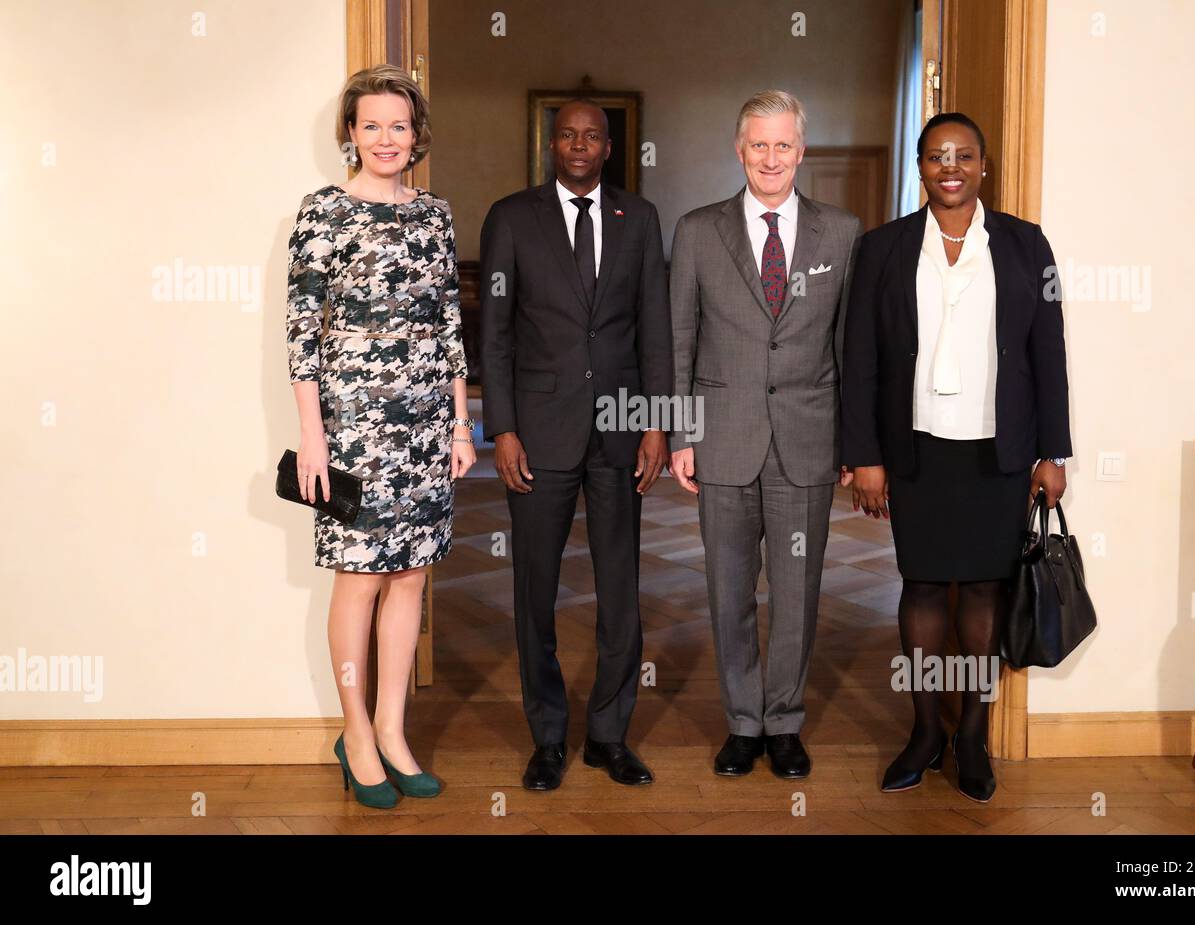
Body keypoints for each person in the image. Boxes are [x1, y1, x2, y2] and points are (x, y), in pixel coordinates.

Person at [840, 112, 1071, 802]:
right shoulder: (882, 248)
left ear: (983, 166)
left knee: (983, 592)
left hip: (1000, 452)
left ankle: (971, 733)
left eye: (964, 155)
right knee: (920, 586)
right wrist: (864, 454)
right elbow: (859, 357)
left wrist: (1053, 452)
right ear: (921, 167)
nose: (951, 166)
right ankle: (923, 731)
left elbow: (1048, 356)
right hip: (915, 447)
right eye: (937, 155)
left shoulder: (1028, 247)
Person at [285, 65, 475, 808]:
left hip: (427, 428)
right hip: (351, 431)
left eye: (399, 125)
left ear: (415, 134)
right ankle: (356, 731)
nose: (386, 138)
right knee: (359, 580)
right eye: (372, 125)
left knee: (410, 578)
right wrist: (313, 437)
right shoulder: (321, 212)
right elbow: (301, 335)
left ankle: (394, 731)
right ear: (351, 133)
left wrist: (461, 423)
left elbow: (450, 328)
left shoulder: (435, 214)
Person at [479, 99, 673, 790]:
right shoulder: (512, 217)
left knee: (620, 590)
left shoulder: (639, 219)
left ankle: (610, 736)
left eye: (592, 135)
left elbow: (656, 328)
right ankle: (549, 737)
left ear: (609, 145)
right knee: (535, 590)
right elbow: (494, 334)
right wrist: (499, 428)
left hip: (622, 432)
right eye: (568, 134)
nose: (580, 145)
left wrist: (658, 422)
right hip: (537, 434)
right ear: (551, 141)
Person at [668, 90, 862, 779]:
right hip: (722, 435)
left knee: (798, 588)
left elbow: (849, 346)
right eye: (759, 144)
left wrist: (852, 441)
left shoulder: (841, 232)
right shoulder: (697, 230)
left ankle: (784, 720)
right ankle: (742, 722)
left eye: (784, 145)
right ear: (739, 149)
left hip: (808, 438)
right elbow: (680, 338)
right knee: (728, 587)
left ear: (801, 151)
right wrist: (680, 434)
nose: (771, 157)